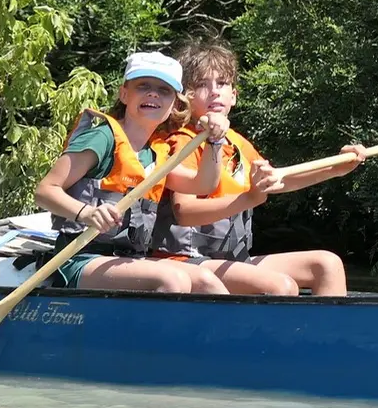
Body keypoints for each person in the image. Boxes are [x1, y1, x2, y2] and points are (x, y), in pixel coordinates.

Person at [153, 38, 368, 296]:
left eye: (222, 84)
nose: (214, 92)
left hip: (233, 259)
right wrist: (250, 198)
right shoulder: (183, 142)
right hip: (185, 259)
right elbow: (184, 212)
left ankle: (326, 337)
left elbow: (277, 181)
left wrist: (335, 169)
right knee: (280, 286)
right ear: (184, 98)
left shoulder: (237, 143)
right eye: (201, 85)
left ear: (233, 95)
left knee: (327, 264)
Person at [32, 51, 231, 293]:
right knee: (173, 280)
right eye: (143, 86)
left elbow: (204, 185)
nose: (153, 94)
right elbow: (44, 191)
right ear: (124, 93)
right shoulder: (101, 138)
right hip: (80, 257)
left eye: (164, 90)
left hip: (130, 260)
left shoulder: (156, 155)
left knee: (206, 281)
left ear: (174, 104)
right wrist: (86, 213)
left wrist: (215, 141)